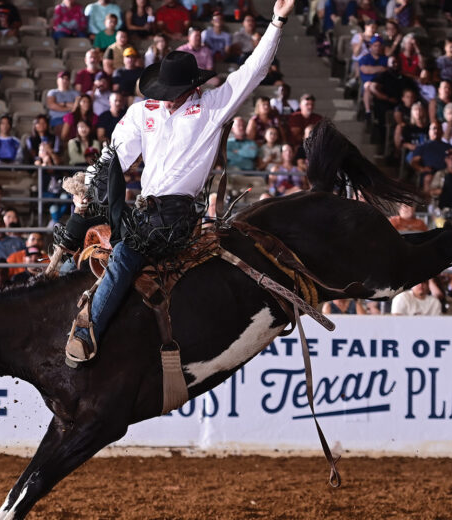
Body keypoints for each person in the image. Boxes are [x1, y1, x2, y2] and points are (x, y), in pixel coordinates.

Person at [64, 0, 293, 362]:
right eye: (163, 93)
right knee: (83, 234)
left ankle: (85, 330)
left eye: (172, 94)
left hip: (175, 214)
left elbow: (253, 71)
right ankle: (56, 289)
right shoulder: (144, 111)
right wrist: (84, 190)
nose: (166, 101)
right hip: (143, 207)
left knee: (125, 253)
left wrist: (277, 22)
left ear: (189, 89)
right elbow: (115, 156)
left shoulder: (213, 106)